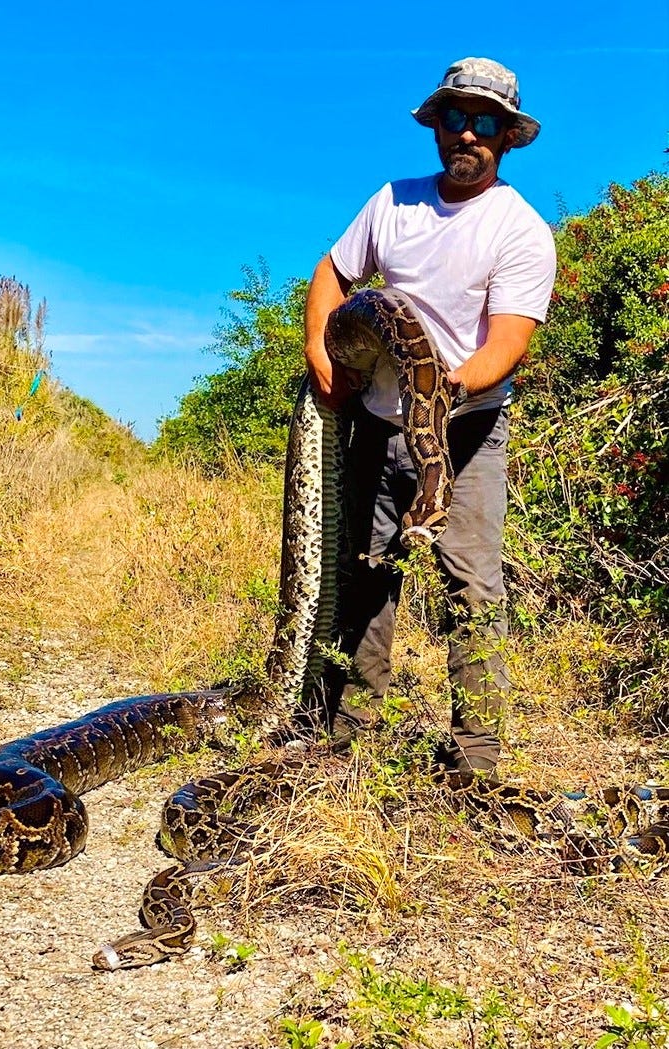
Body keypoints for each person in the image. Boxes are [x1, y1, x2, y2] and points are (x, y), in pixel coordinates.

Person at [303, 57, 556, 778]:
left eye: (484, 122)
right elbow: (333, 273)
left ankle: (475, 762)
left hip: (467, 431)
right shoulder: (394, 202)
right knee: (367, 576)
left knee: (472, 588)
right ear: (437, 126)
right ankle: (349, 737)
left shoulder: (520, 229)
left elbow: (506, 343)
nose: (466, 134)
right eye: (454, 117)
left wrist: (445, 385)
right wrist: (320, 350)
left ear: (505, 136)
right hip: (376, 426)